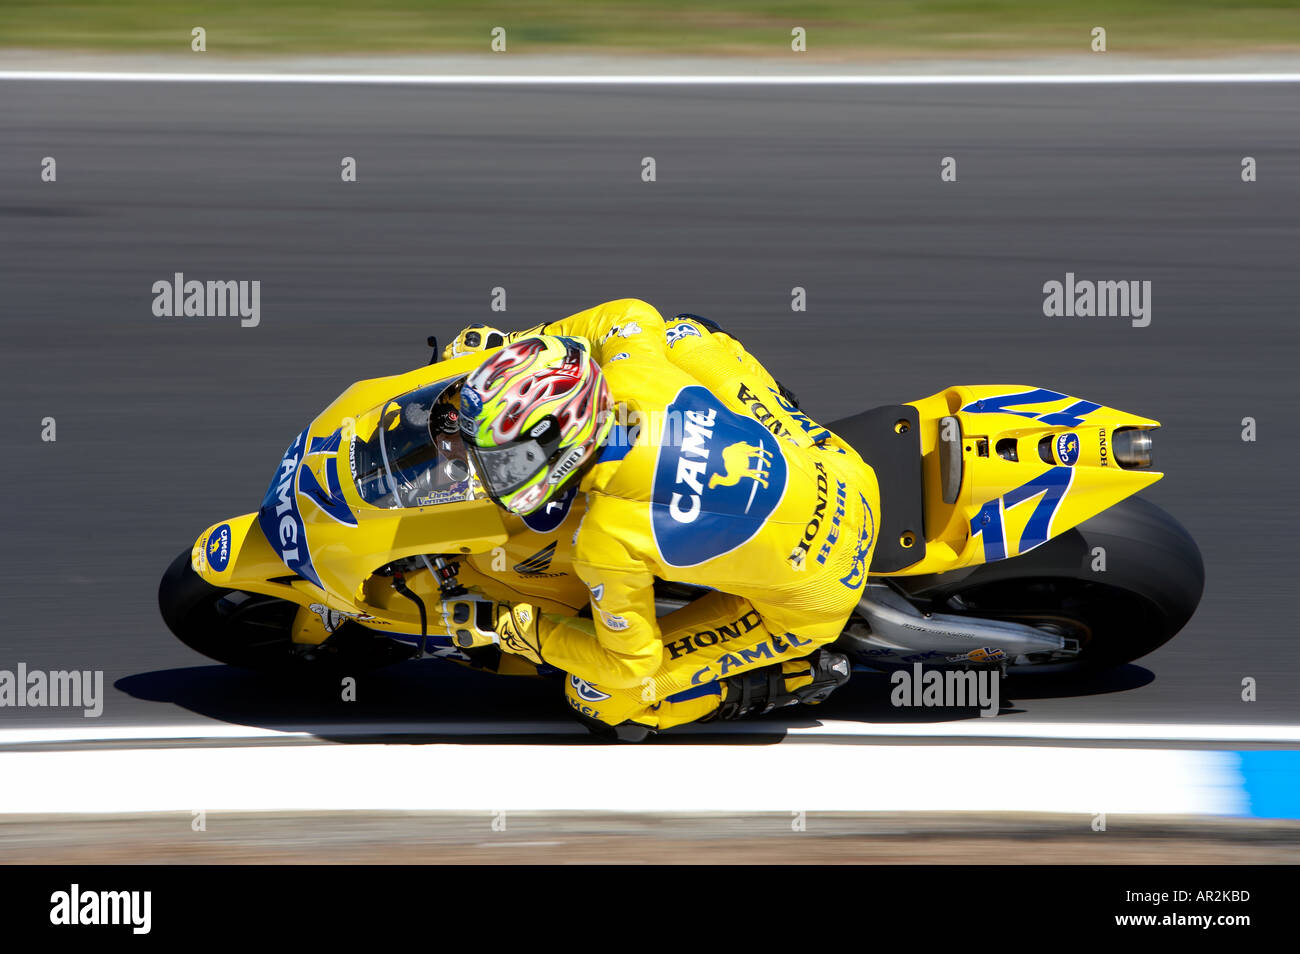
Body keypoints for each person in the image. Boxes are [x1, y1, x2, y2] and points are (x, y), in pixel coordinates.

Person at [450, 300, 880, 739]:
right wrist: (515, 342)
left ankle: (792, 675)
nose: (490, 473)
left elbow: (631, 664)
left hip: (820, 595)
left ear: (559, 444)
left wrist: (529, 632)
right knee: (685, 333)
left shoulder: (606, 542)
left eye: (506, 460)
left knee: (598, 697)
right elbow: (632, 316)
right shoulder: (632, 374)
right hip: (844, 472)